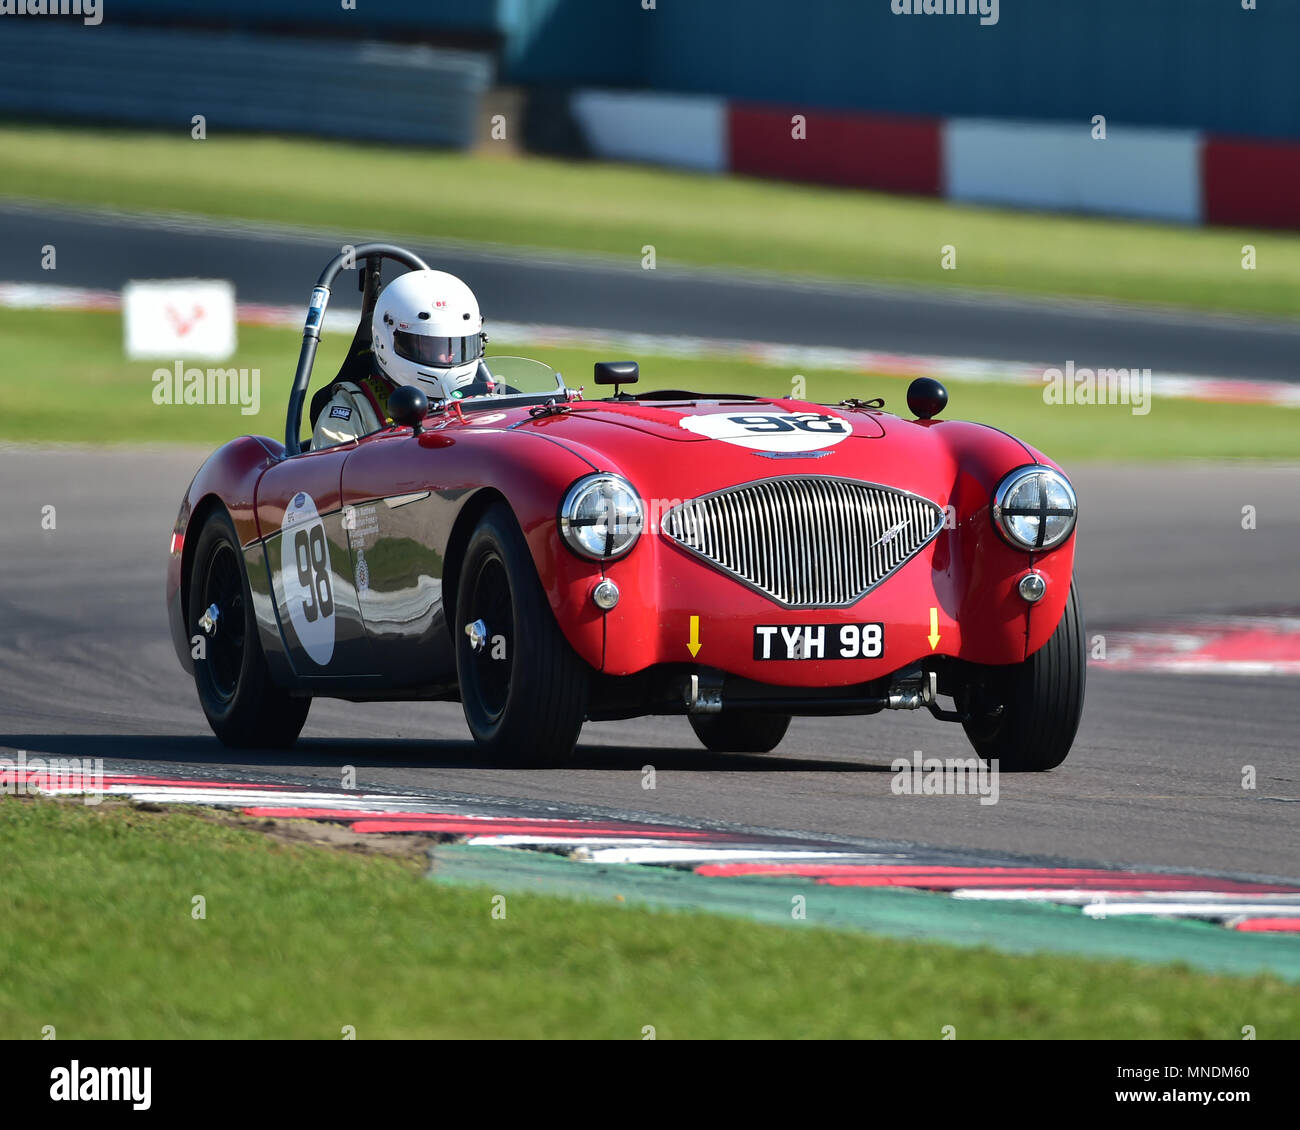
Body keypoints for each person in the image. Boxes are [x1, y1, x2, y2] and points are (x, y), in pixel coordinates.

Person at [311, 269, 490, 449]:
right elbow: (326, 475)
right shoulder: (353, 409)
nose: (446, 357)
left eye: (457, 347)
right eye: (428, 347)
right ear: (384, 341)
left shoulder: (486, 402)